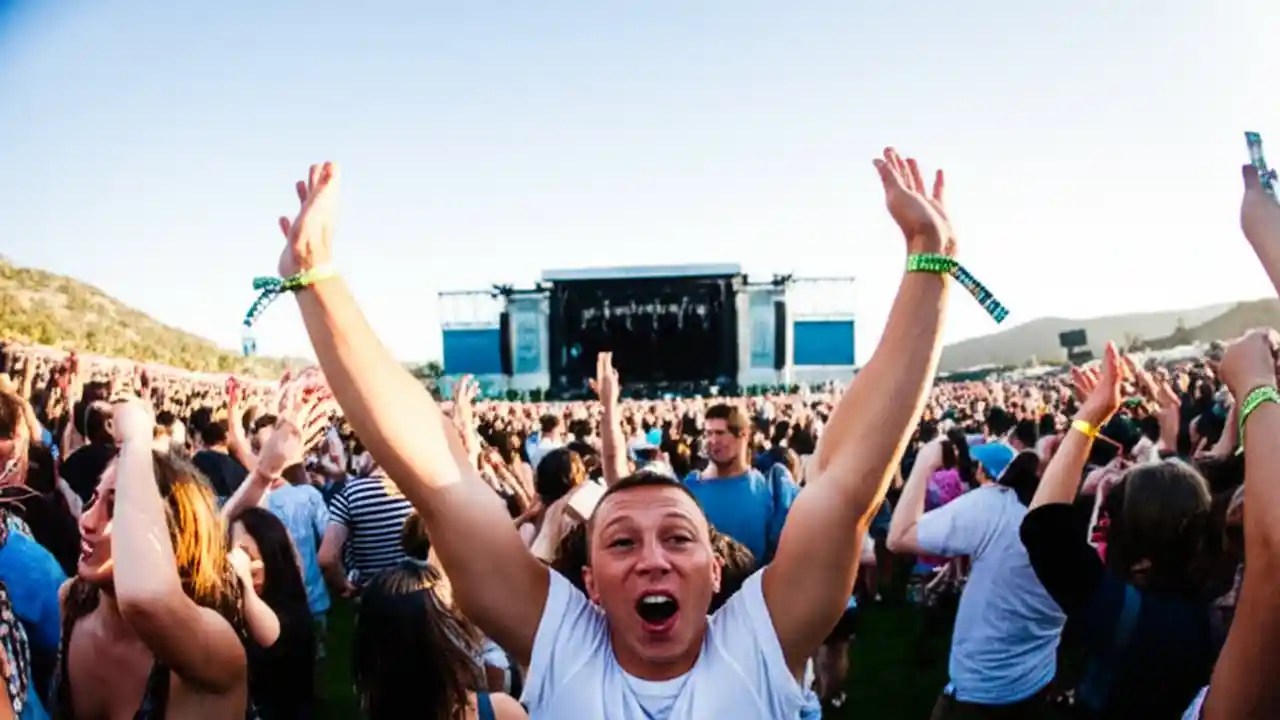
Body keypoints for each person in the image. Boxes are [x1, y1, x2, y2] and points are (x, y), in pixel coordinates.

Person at [273, 145, 953, 717]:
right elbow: (440, 483)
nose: (652, 558)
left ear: (716, 573)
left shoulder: (759, 644)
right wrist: (317, 280)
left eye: (678, 538)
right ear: (590, 584)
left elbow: (846, 484)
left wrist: (929, 259)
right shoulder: (564, 642)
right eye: (622, 541)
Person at [1021, 343, 1216, 719]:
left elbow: (1043, 526)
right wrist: (1169, 440)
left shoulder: (1122, 615)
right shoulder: (1211, 600)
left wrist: (1089, 417)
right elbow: (1178, 496)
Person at [54, 399, 250, 718]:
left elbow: (146, 600)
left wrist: (137, 438)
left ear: (170, 535)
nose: (87, 521)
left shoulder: (211, 650)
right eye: (93, 500)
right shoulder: (72, 602)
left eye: (115, 508)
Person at [889, 435, 1065, 718]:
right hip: (1038, 678)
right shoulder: (1080, 520)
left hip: (982, 688)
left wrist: (924, 463)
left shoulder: (994, 506)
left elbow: (898, 538)